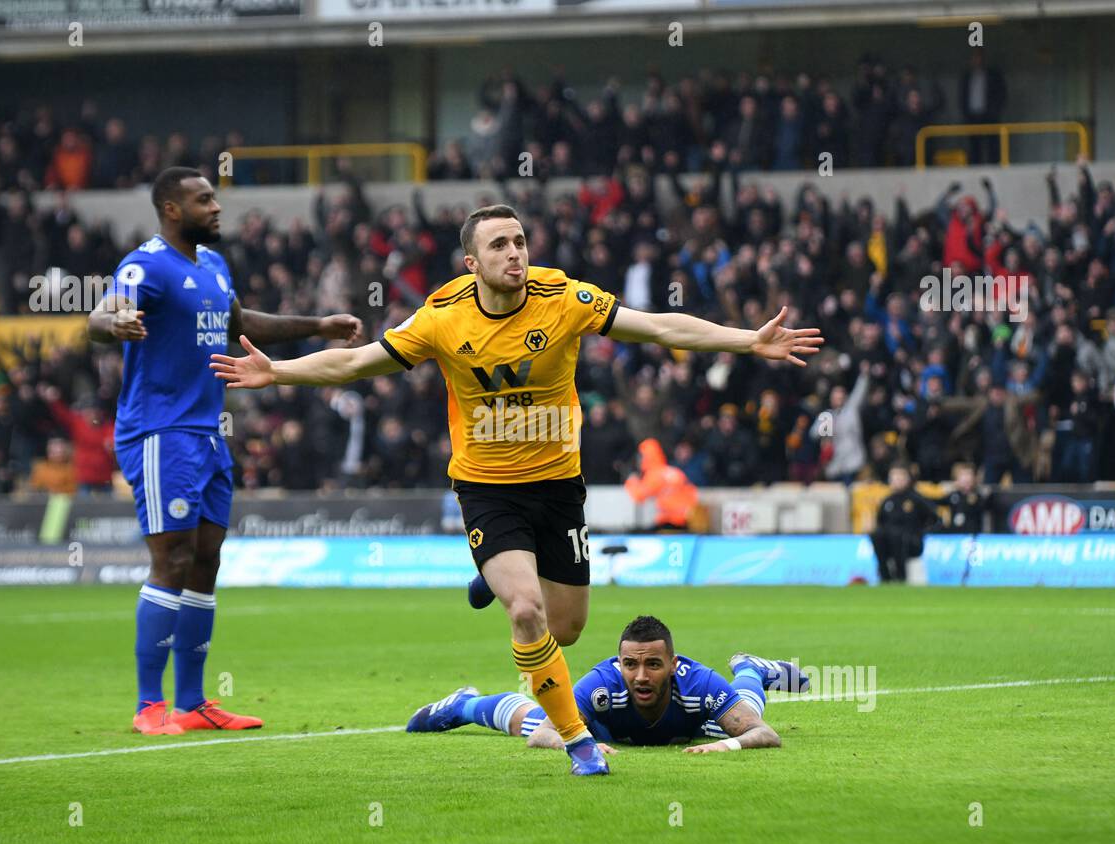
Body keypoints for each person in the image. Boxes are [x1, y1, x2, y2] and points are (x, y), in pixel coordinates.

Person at [211, 203, 823, 775]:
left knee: (568, 629)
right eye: (499, 244)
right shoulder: (443, 316)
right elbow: (355, 362)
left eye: (521, 241)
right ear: (472, 263)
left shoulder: (564, 298)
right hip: (487, 490)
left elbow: (658, 328)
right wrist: (277, 371)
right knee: (525, 611)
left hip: (558, 489)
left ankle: (501, 571)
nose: (516, 253)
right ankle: (580, 745)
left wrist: (748, 340)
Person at [86, 166, 361, 736]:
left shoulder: (212, 266)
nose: (216, 207)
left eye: (214, 197)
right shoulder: (147, 263)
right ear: (170, 209)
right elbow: (99, 314)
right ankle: (148, 707)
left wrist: (319, 325)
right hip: (160, 433)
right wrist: (116, 323)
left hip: (208, 434)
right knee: (173, 560)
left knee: (206, 561)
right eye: (203, 199)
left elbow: (241, 324)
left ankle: (192, 702)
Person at [406, 615, 804, 753]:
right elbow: (541, 735)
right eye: (631, 664)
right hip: (605, 727)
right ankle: (464, 706)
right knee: (534, 720)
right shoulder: (601, 684)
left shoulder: (697, 682)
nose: (641, 676)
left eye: (653, 664)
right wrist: (582, 743)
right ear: (619, 662)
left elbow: (763, 733)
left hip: (690, 726)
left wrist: (727, 745)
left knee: (735, 716)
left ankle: (750, 670)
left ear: (673, 664)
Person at [870, 462, 939, 583]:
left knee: (897, 534)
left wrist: (921, 534)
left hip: (910, 543)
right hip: (890, 543)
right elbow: (880, 522)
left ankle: (901, 576)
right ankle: (884, 574)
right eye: (893, 477)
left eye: (900, 477)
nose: (896, 480)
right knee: (877, 534)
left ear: (907, 479)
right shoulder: (887, 501)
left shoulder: (916, 499)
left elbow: (935, 519)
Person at [624, 438, 699, 530]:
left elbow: (639, 496)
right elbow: (692, 491)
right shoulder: (673, 471)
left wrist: (631, 481)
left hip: (670, 521)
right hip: (685, 520)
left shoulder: (655, 474)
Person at [939, 462, 987, 534]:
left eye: (969, 475)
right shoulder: (952, 495)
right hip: (954, 536)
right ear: (956, 479)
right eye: (963, 475)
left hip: (973, 536)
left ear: (974, 478)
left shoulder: (978, 496)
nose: (967, 478)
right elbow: (936, 503)